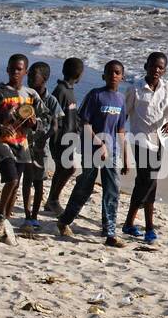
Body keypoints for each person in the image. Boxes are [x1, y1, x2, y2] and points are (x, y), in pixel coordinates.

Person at [56, 59, 130, 246]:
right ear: (103, 75)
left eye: (117, 72)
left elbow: (121, 130)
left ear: (122, 77)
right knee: (85, 188)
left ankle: (110, 232)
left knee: (111, 190)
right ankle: (64, 221)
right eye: (110, 72)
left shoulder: (121, 100)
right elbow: (84, 123)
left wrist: (126, 157)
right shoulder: (95, 95)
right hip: (92, 150)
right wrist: (99, 144)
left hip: (112, 153)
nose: (113, 75)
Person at [0, 54, 40, 244]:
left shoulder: (31, 96)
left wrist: (35, 124)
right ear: (7, 70)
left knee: (16, 184)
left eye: (19, 69)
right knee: (11, 178)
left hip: (22, 144)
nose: (14, 72)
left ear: (25, 72)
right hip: (1, 142)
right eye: (11, 69)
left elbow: (46, 119)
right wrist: (0, 128)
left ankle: (4, 224)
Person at [121, 52, 168, 244]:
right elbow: (124, 114)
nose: (157, 70)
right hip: (140, 140)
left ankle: (130, 222)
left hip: (161, 140)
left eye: (161, 67)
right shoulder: (136, 89)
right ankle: (148, 226)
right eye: (153, 66)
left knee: (146, 182)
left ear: (164, 70)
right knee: (149, 181)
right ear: (146, 66)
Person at [22, 61, 62, 233]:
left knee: (38, 182)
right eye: (29, 75)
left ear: (44, 79)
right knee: (25, 181)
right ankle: (26, 213)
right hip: (23, 144)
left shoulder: (51, 100)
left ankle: (35, 215)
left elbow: (55, 125)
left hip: (40, 147)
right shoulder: (23, 95)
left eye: (33, 76)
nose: (29, 78)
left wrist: (43, 139)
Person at [44, 57, 85, 214]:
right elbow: (52, 114)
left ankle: (52, 200)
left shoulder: (69, 90)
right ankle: (53, 200)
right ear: (81, 75)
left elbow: (71, 115)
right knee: (69, 169)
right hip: (60, 138)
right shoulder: (61, 91)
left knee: (63, 169)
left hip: (70, 138)